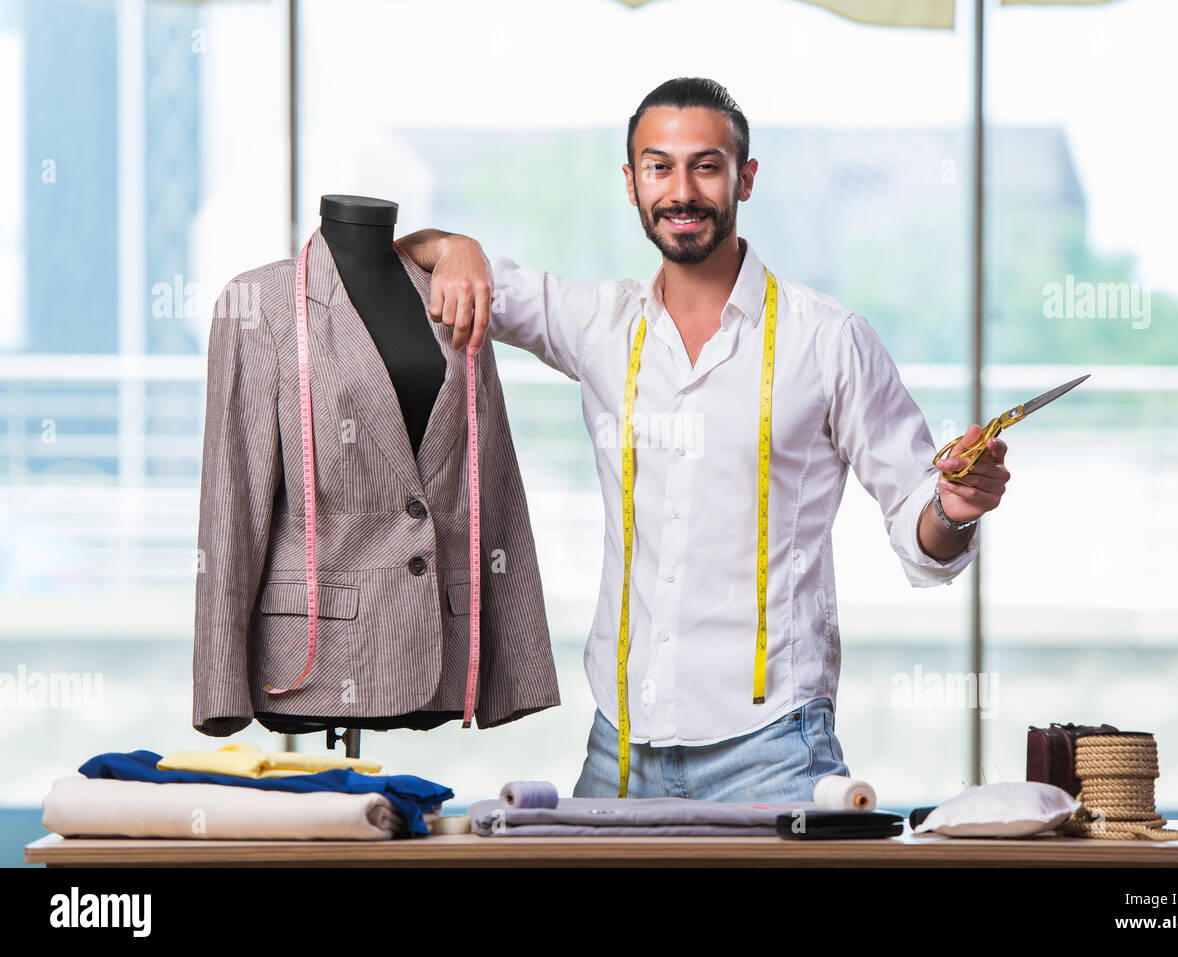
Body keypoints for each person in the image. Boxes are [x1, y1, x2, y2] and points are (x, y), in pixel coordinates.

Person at [396, 77, 1010, 802]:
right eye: (659, 167)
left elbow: (919, 518)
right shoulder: (599, 324)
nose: (681, 190)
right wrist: (458, 246)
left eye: (706, 166)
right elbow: (408, 264)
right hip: (619, 748)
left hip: (775, 748)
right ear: (631, 182)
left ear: (744, 178)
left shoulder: (829, 341)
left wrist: (955, 505)